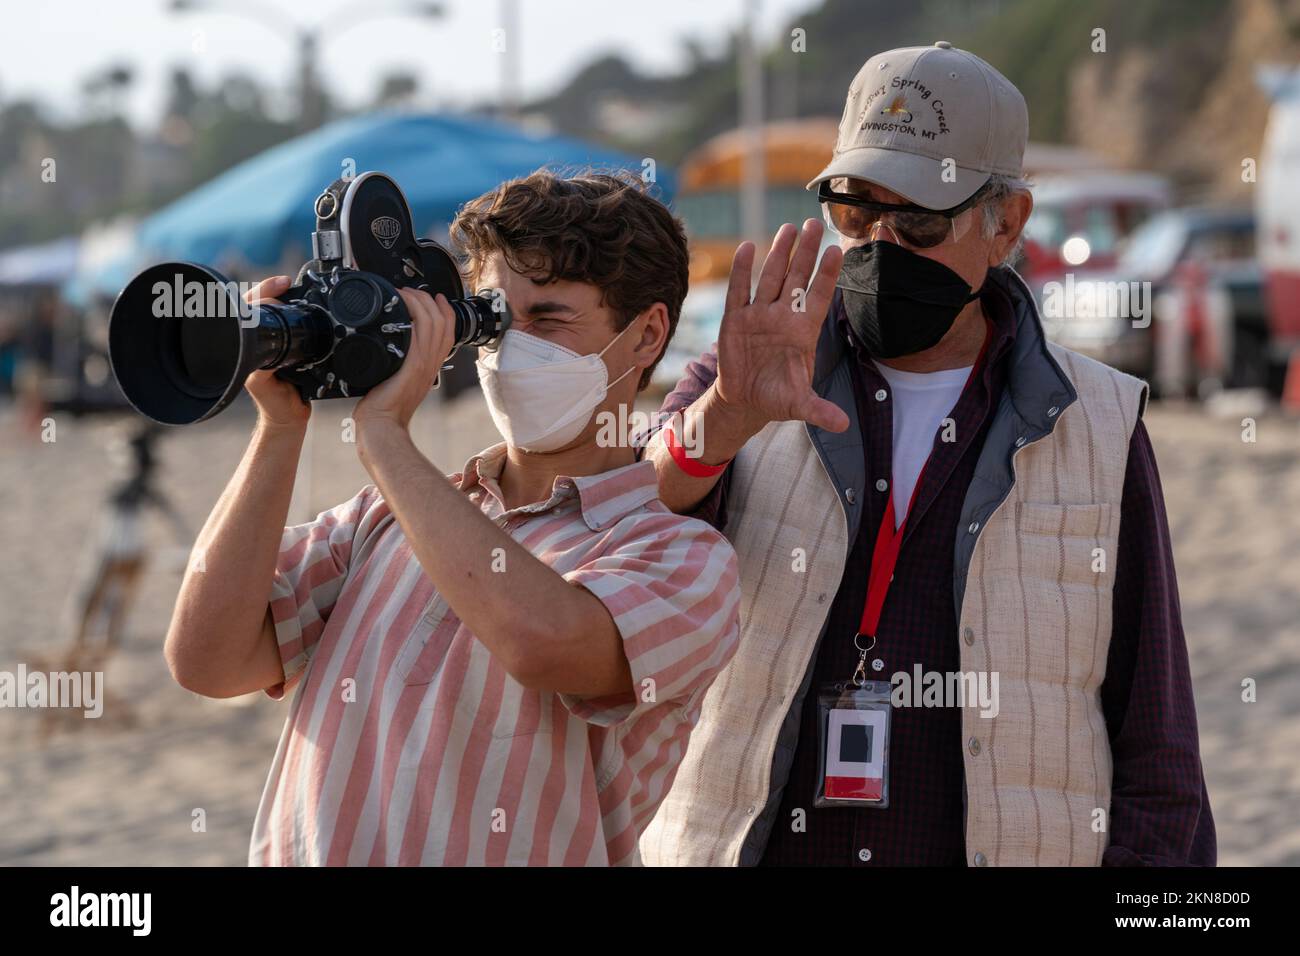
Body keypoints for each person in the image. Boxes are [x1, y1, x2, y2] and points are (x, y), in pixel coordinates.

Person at [640, 43, 1215, 866]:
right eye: (854, 212)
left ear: (1006, 222)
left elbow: (1157, 740)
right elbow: (633, 520)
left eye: (917, 219)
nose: (879, 245)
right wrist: (727, 414)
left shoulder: (1100, 422)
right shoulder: (742, 374)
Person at [164, 170, 741, 866]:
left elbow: (546, 646)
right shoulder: (384, 514)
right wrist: (278, 428)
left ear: (648, 335)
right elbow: (205, 659)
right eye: (494, 318)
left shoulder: (682, 556)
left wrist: (383, 436)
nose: (513, 346)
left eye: (549, 319)